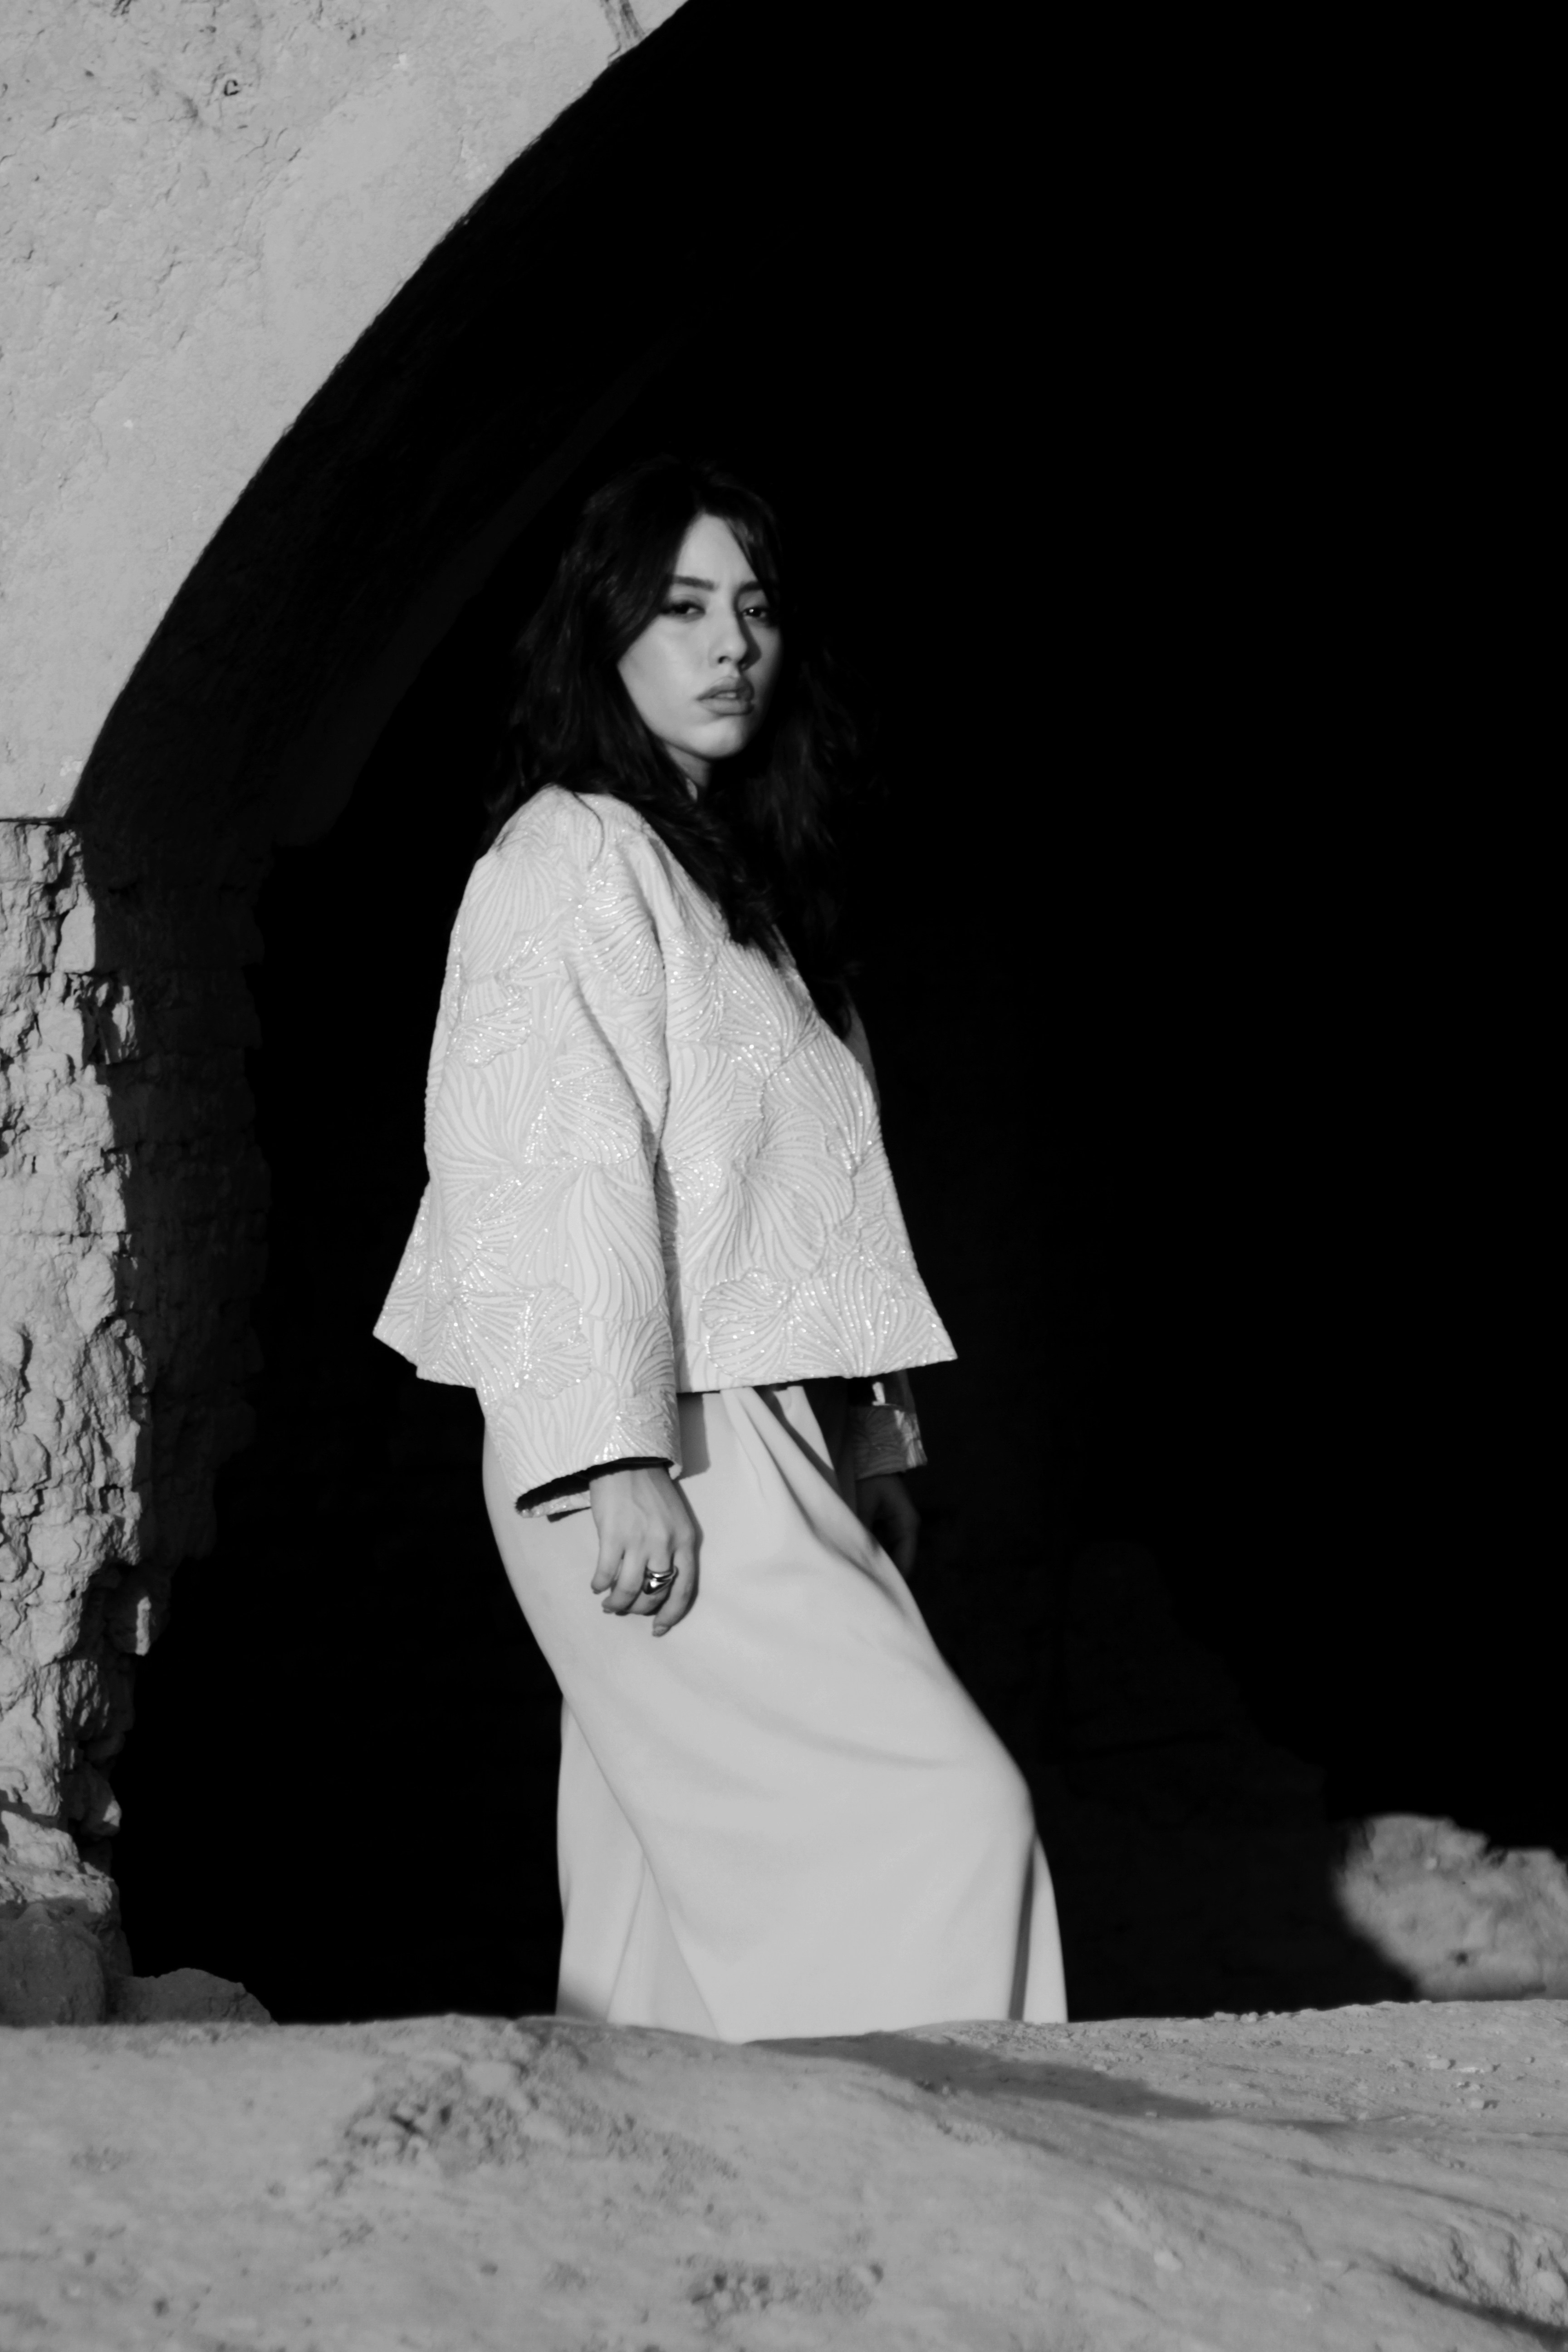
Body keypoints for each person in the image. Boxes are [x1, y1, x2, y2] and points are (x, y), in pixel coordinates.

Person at [375, 456, 1066, 2038]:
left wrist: (868, 1434)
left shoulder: (725, 873)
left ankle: (656, 2174)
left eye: (752, 607)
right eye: (682, 608)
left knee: (657, 1906)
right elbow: (540, 1168)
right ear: (603, 635)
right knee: (947, 1816)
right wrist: (611, 1458)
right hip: (637, 1433)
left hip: (753, 1427)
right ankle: (938, 2165)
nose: (730, 643)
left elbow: (800, 1199)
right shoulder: (566, 856)